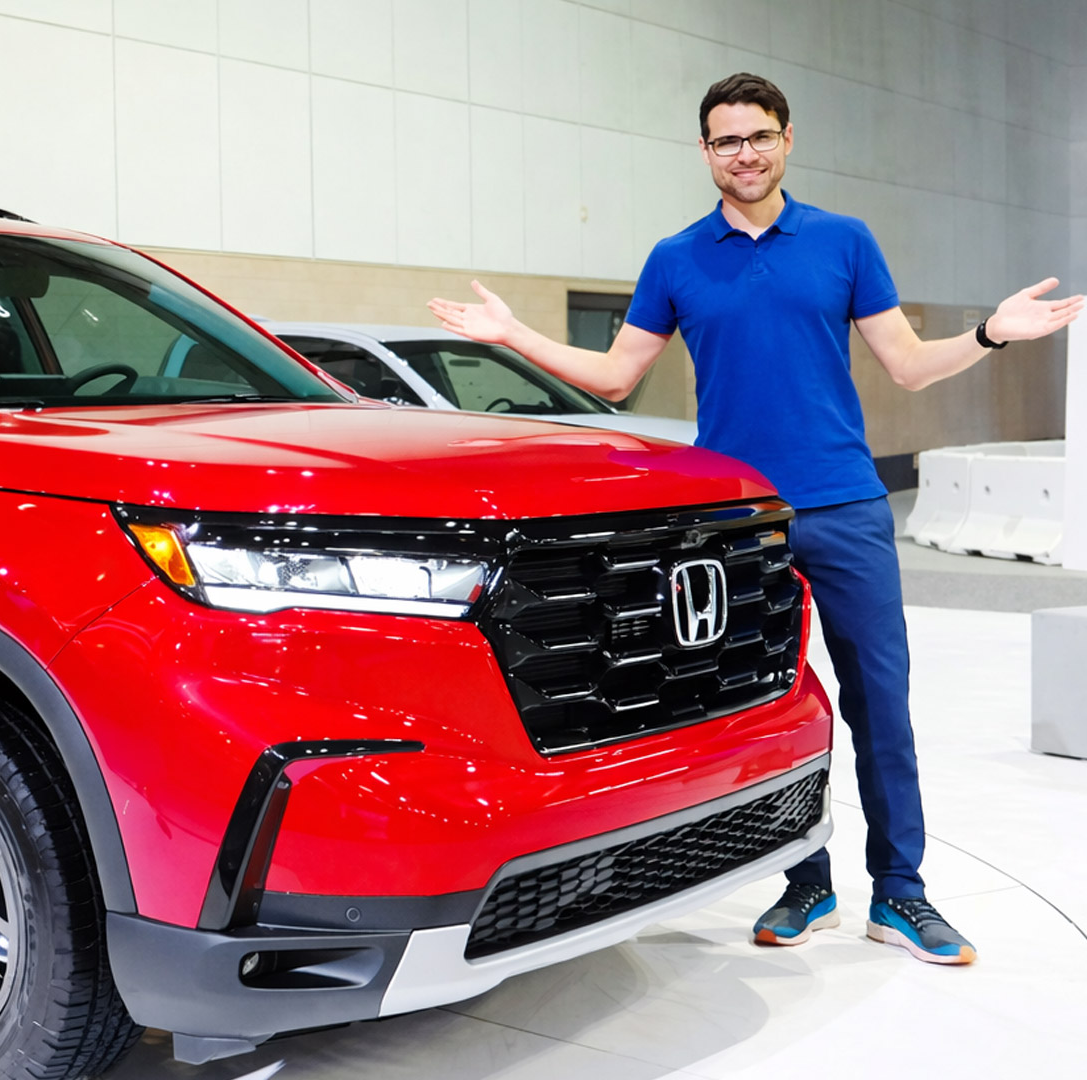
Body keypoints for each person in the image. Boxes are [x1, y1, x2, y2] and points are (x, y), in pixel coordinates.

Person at [428, 72, 1082, 966]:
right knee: (762, 709)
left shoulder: (843, 242)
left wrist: (991, 334)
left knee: (878, 705)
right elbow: (617, 377)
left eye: (759, 136)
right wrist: (515, 336)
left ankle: (902, 894)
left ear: (785, 139)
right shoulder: (676, 257)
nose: (745, 153)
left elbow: (908, 366)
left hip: (846, 506)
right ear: (706, 153)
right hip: (738, 524)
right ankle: (803, 883)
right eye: (727, 141)